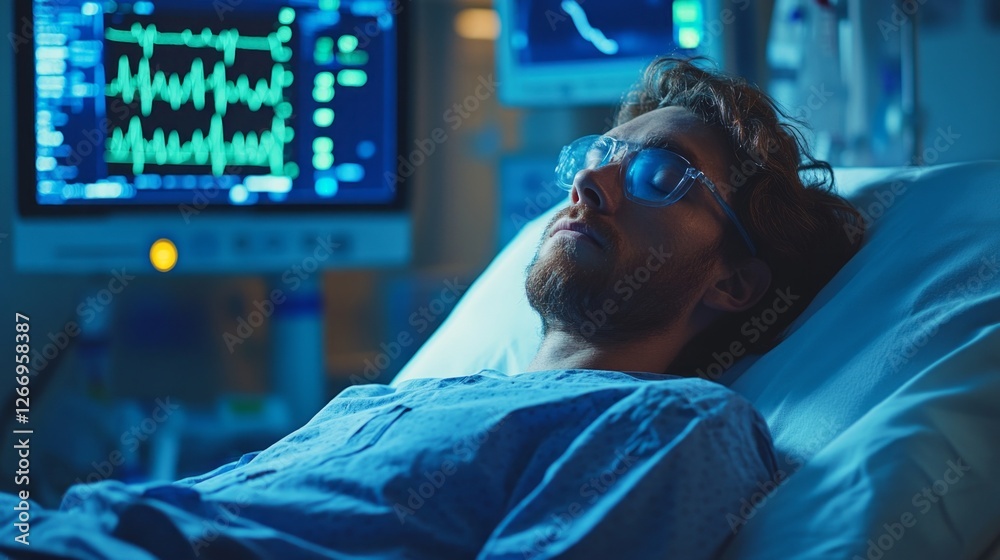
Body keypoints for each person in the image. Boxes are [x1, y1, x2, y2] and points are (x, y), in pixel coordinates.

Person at [0, 58, 863, 560]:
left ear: (734, 285)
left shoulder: (673, 424)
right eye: (599, 154)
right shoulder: (415, 396)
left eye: (658, 176)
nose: (590, 182)